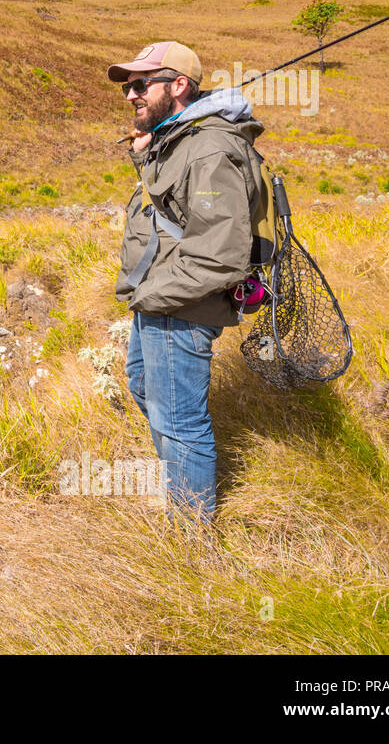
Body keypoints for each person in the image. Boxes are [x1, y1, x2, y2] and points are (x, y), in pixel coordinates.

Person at [109, 41, 265, 522]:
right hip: (161, 297)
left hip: (180, 302)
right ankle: (181, 483)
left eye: (141, 84)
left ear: (178, 86)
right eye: (129, 86)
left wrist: (151, 296)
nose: (131, 95)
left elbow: (220, 255)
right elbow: (174, 208)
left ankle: (191, 540)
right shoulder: (182, 140)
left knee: (180, 422)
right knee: (144, 384)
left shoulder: (209, 148)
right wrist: (146, 154)